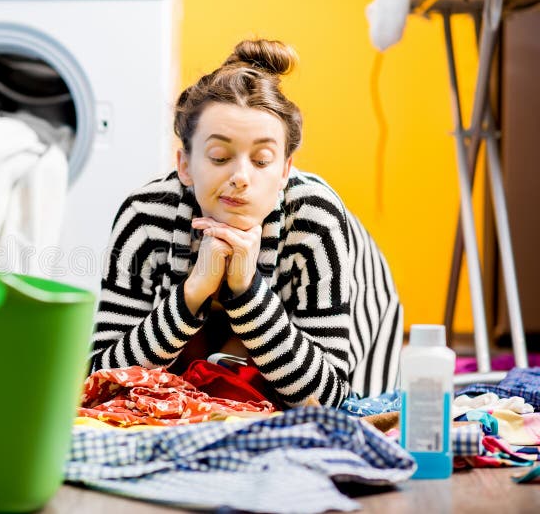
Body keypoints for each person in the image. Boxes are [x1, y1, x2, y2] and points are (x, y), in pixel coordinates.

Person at [89, 39, 402, 407]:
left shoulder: (316, 219)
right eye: (219, 157)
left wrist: (248, 290)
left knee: (350, 419)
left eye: (262, 159)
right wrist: (191, 295)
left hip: (356, 307)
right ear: (185, 165)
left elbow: (330, 398)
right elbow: (99, 381)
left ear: (286, 169)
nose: (240, 176)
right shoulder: (144, 217)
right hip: (210, 330)